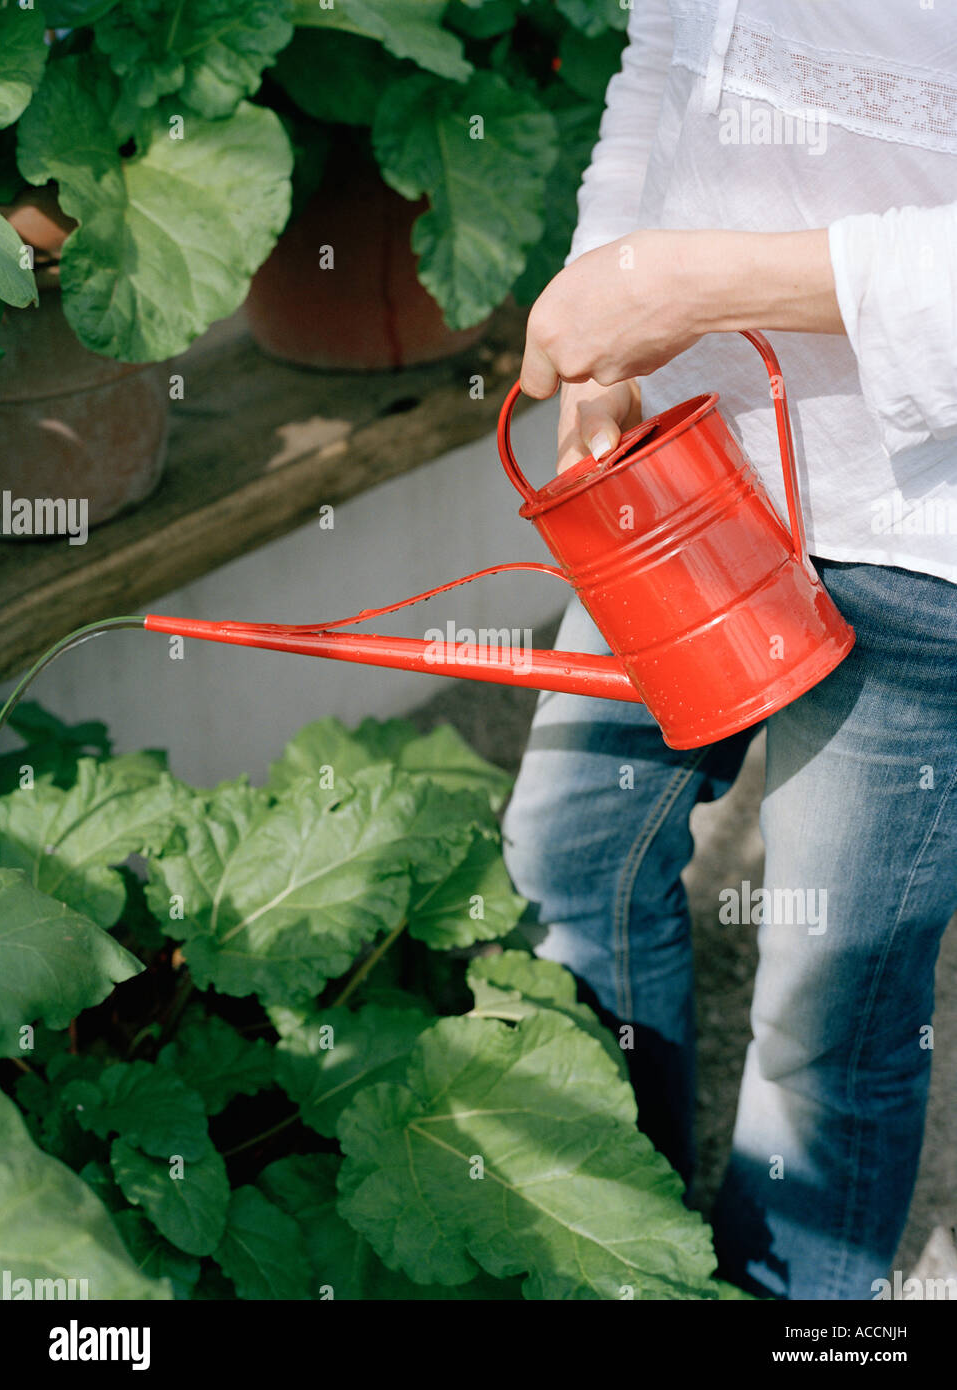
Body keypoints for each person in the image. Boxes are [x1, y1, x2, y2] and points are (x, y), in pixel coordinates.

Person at [503, 0, 957, 1301]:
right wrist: (606, 322)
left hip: (917, 518)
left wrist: (685, 283)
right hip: (687, 467)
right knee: (572, 851)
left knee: (825, 1015)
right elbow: (666, 54)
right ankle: (617, 1253)